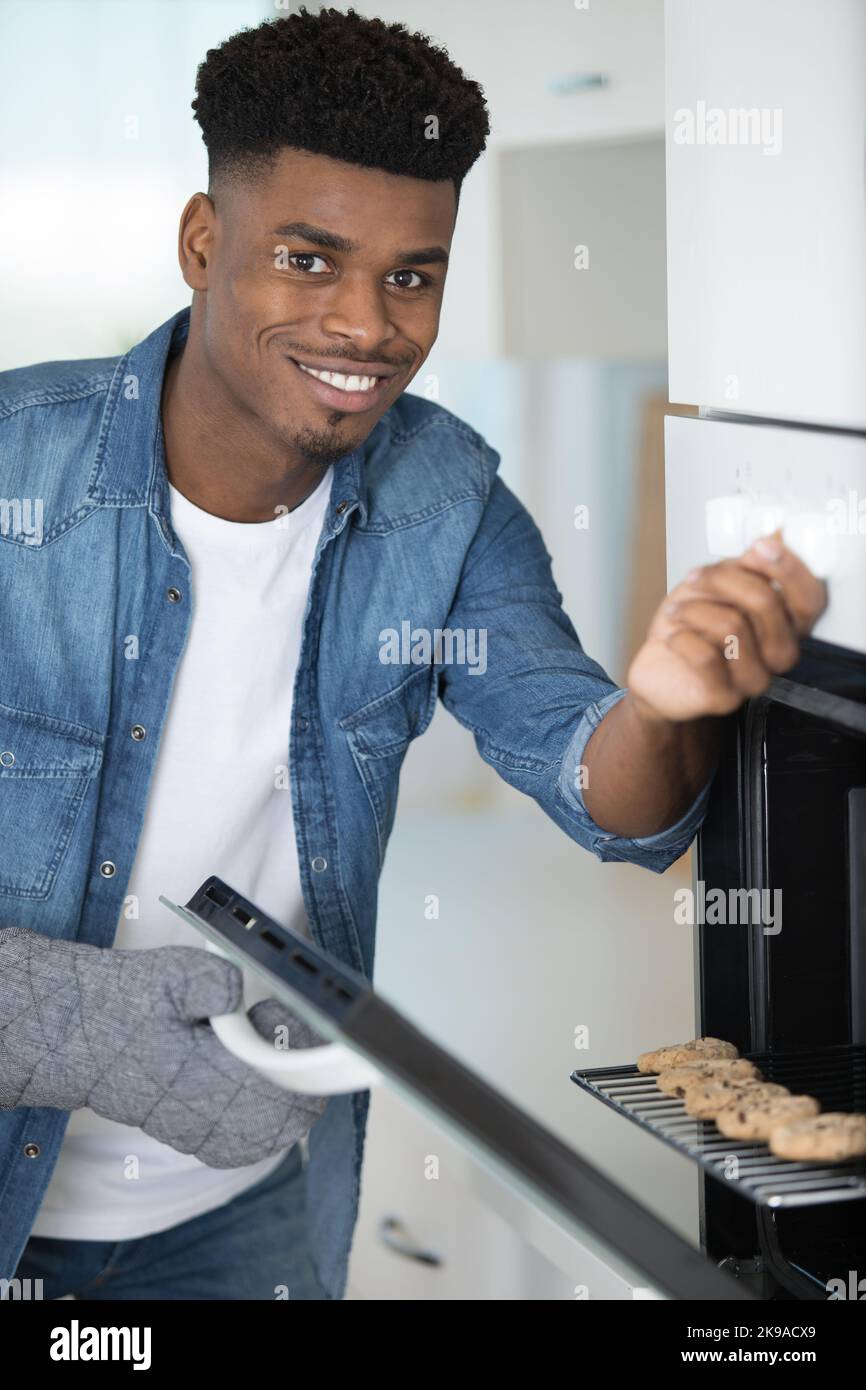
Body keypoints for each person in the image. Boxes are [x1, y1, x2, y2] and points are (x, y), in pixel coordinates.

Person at [0, 7, 825, 1302]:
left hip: (255, 1198)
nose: (367, 326)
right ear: (202, 243)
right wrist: (44, 1016)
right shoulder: (11, 470)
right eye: (309, 259)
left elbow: (598, 783)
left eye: (411, 275)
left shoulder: (445, 497)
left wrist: (663, 703)